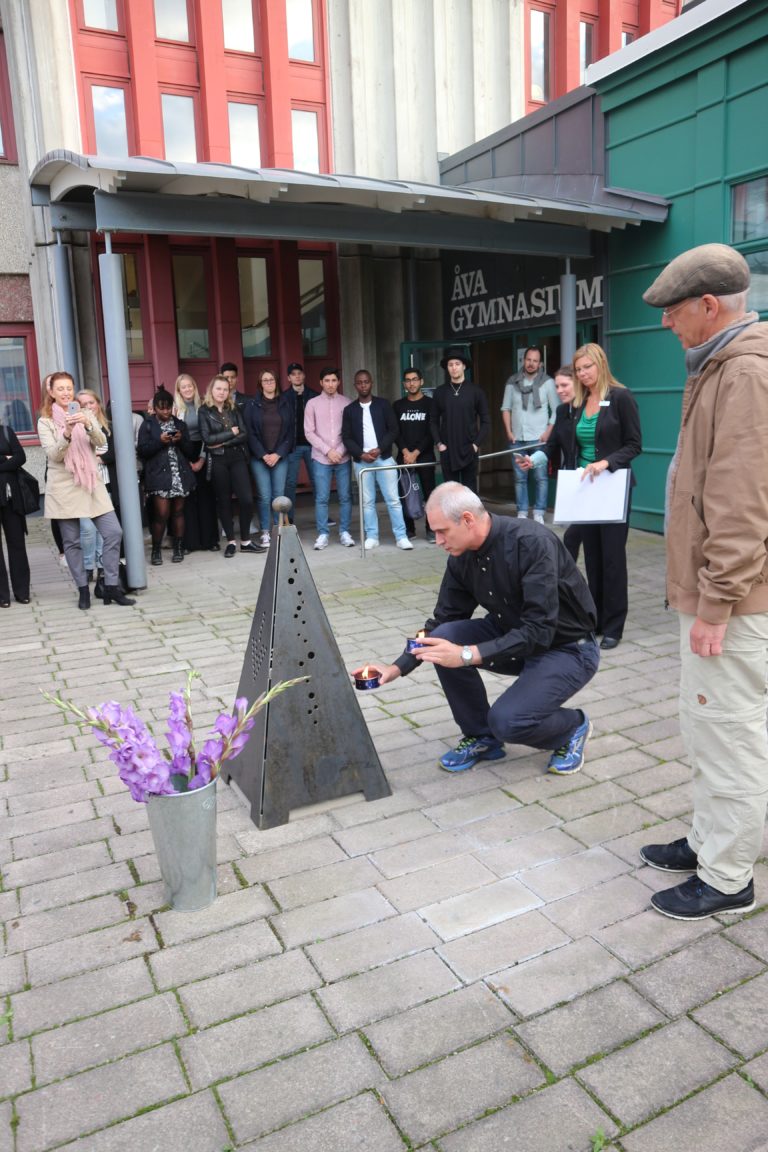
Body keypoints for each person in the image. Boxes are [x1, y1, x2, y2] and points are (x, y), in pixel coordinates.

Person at [639, 242, 768, 920]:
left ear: (709, 306)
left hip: (734, 603)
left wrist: (716, 602)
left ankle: (727, 878)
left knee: (728, 735)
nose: (666, 323)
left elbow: (741, 502)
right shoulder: (721, 365)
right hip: (728, 595)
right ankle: (711, 841)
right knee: (714, 729)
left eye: (673, 310)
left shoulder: (742, 372)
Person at [357, 482, 599, 774]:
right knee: (443, 637)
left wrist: (467, 655)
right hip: (513, 635)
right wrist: (397, 667)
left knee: (508, 721)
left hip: (567, 649)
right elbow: (441, 621)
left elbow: (539, 630)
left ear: (468, 519)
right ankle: (482, 737)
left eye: (442, 531)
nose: (438, 541)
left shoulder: (532, 543)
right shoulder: (461, 556)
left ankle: (572, 727)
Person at [37, 371, 135, 609]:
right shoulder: (45, 422)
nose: (65, 393)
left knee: (114, 532)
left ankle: (111, 586)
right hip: (64, 486)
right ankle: (83, 590)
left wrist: (88, 424)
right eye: (60, 389)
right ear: (51, 392)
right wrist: (67, 432)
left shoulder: (86, 413)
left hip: (90, 482)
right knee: (72, 542)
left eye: (69, 388)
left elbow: (101, 442)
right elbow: (54, 455)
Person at [567, 343, 641, 650]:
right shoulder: (578, 402)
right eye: (578, 369)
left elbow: (634, 444)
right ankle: (595, 620)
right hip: (587, 489)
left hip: (613, 486)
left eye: (588, 367)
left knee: (612, 559)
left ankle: (614, 626)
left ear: (601, 364)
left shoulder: (621, 397)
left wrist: (606, 462)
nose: (583, 373)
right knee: (592, 557)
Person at [342, 369, 413, 552]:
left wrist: (380, 449)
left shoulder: (383, 405)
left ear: (371, 383)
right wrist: (361, 454)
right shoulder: (349, 410)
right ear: (355, 385)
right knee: (367, 502)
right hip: (362, 461)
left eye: (366, 381)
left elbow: (394, 430)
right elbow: (346, 437)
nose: (363, 385)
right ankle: (372, 536)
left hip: (384, 458)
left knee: (393, 500)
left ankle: (401, 536)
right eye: (359, 382)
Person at [518, 366, 582, 562]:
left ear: (578, 383)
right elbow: (551, 445)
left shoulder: (590, 409)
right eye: (557, 386)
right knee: (572, 538)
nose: (560, 390)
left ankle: (565, 575)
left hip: (590, 478)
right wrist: (532, 460)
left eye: (565, 385)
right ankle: (566, 576)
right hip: (572, 480)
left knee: (574, 537)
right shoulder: (562, 410)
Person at [199, 374, 265, 558]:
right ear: (211, 390)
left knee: (246, 499)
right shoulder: (204, 411)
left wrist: (223, 442)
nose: (222, 392)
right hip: (218, 460)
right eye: (218, 388)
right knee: (224, 501)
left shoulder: (233, 408)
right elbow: (207, 439)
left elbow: (244, 434)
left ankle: (245, 541)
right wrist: (230, 433)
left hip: (237, 457)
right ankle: (230, 542)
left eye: (225, 389)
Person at [138, 387, 196, 565]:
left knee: (178, 513)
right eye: (161, 408)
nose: (165, 412)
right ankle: (156, 550)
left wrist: (181, 440)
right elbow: (142, 451)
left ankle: (178, 548)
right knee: (161, 514)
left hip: (179, 474)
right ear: (154, 408)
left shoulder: (180, 424)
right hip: (158, 476)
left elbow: (191, 453)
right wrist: (160, 442)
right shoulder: (148, 425)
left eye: (168, 408)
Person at [501, 347, 558, 523]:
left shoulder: (547, 382)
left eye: (535, 361)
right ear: (523, 360)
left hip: (539, 438)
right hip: (517, 438)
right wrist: (509, 431)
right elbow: (506, 408)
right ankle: (522, 512)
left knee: (540, 477)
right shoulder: (512, 382)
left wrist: (548, 432)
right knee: (520, 478)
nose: (531, 363)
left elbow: (557, 410)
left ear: (540, 364)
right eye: (528, 360)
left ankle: (539, 512)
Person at [304, 367, 355, 550]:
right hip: (321, 458)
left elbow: (350, 431)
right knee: (322, 497)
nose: (330, 384)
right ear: (321, 382)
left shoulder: (347, 403)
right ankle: (323, 534)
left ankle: (344, 532)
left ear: (338, 382)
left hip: (343, 457)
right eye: (327, 380)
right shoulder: (312, 404)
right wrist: (328, 451)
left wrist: (339, 451)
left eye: (334, 380)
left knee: (345, 496)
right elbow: (309, 432)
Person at [245, 369, 295, 547]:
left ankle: (278, 529)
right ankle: (265, 532)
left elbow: (291, 431)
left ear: (276, 382)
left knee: (278, 495)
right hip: (260, 458)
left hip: (280, 456)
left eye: (271, 379)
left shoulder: (285, 403)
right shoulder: (252, 405)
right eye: (265, 380)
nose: (268, 383)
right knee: (264, 496)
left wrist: (278, 453)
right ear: (260, 384)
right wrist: (264, 454)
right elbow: (249, 433)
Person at [430, 348, 490, 493]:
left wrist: (476, 444)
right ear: (447, 368)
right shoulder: (440, 392)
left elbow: (486, 421)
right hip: (448, 450)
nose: (454, 367)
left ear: (464, 366)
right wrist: (439, 443)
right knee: (451, 494)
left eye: (457, 364)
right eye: (450, 364)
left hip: (469, 449)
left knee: (470, 493)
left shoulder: (476, 391)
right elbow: (433, 421)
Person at [173, 373, 219, 552]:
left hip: (204, 450)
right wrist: (187, 461)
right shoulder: (176, 409)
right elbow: (175, 437)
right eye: (183, 387)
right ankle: (190, 543)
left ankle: (209, 541)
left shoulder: (204, 405)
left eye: (189, 386)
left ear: (194, 387)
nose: (187, 389)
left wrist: (201, 459)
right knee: (187, 499)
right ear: (179, 390)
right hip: (184, 453)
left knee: (206, 497)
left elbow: (208, 434)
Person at [393, 367, 436, 542]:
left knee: (430, 495)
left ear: (421, 381)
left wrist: (416, 453)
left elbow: (432, 432)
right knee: (405, 494)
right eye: (408, 380)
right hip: (404, 457)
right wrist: (406, 452)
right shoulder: (398, 405)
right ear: (404, 384)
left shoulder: (431, 404)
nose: (411, 383)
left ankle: (431, 529)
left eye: (415, 379)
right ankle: (409, 529)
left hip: (424, 457)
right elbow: (395, 432)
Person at [76, 390, 112, 595]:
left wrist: (98, 458)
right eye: (83, 404)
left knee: (102, 530)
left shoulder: (108, 427)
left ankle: (101, 566)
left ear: (98, 403)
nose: (88, 407)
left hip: (105, 483)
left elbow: (113, 453)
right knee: (87, 529)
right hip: (83, 485)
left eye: (91, 402)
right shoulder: (76, 426)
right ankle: (88, 566)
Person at [0, 418, 31, 607]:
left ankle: (22, 592)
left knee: (17, 543)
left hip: (11, 498)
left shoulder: (5, 431)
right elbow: (13, 460)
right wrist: (5, 459)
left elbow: (20, 457)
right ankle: (2, 596)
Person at [284, 362, 319, 520]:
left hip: (313, 445)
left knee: (317, 480)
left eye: (299, 373)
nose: (297, 376)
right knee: (291, 482)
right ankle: (289, 517)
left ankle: (322, 515)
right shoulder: (284, 397)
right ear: (289, 378)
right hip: (293, 447)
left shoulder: (314, 395)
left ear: (304, 375)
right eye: (293, 374)